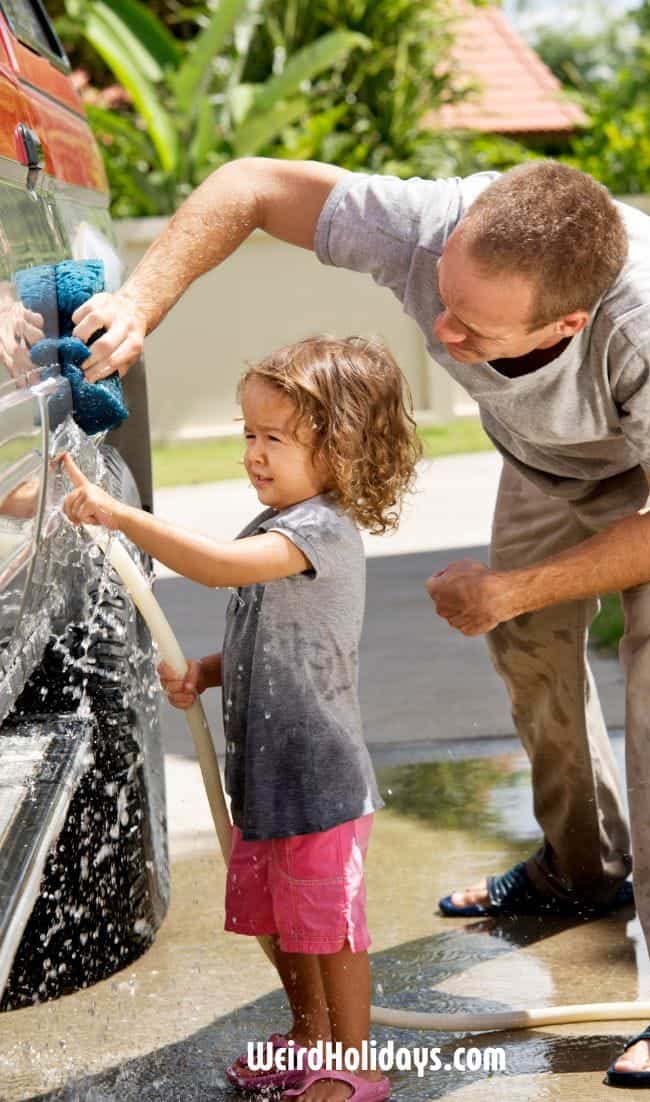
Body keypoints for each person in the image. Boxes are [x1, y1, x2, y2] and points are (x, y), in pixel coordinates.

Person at [68, 157, 650, 1088]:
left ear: (567, 326)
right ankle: (582, 870)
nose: (442, 331)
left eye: (474, 325)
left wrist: (508, 585)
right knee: (529, 647)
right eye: (443, 299)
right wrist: (141, 300)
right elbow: (251, 185)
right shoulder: (425, 225)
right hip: (544, 462)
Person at [62, 334, 421, 1102]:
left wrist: (121, 516)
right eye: (248, 435)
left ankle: (352, 1064)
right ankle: (307, 1036)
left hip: (320, 780)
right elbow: (273, 639)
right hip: (267, 776)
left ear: (342, 447)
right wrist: (206, 673)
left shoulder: (318, 530)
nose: (254, 454)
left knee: (330, 928)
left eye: (275, 438)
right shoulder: (275, 526)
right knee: (286, 924)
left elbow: (214, 570)